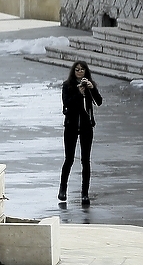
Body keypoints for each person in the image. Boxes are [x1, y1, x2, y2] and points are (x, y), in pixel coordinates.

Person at [59, 61, 102, 206]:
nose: (79, 72)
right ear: (73, 71)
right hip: (71, 126)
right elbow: (66, 103)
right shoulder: (67, 85)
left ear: (86, 72)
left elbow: (99, 102)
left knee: (85, 161)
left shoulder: (90, 85)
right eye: (77, 70)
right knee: (69, 159)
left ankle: (84, 193)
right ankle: (63, 188)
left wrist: (92, 89)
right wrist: (79, 93)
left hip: (86, 127)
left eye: (82, 70)